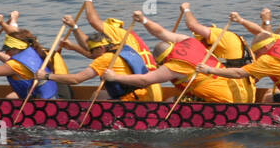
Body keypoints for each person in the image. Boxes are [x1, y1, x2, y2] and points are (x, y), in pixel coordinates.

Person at [99, 11, 250, 103]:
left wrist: (114, 77)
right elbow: (161, 33)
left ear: (162, 60)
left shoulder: (174, 66)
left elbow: (145, 80)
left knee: (171, 101)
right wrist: (144, 20)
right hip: (237, 89)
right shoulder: (188, 41)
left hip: (223, 100)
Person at [42, 28, 162, 102]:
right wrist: (74, 47)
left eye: (92, 50)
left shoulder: (104, 60)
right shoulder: (124, 49)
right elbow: (93, 56)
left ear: (101, 48)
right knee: (98, 94)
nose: (90, 54)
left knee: (97, 96)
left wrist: (47, 76)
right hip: (147, 95)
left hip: (130, 101)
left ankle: (83, 121)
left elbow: (76, 79)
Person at [0, 25, 67, 100]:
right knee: (10, 97)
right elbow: (10, 61)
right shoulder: (33, 52)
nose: (6, 52)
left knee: (9, 98)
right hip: (53, 95)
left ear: (18, 48)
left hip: (44, 102)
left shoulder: (16, 64)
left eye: (8, 49)